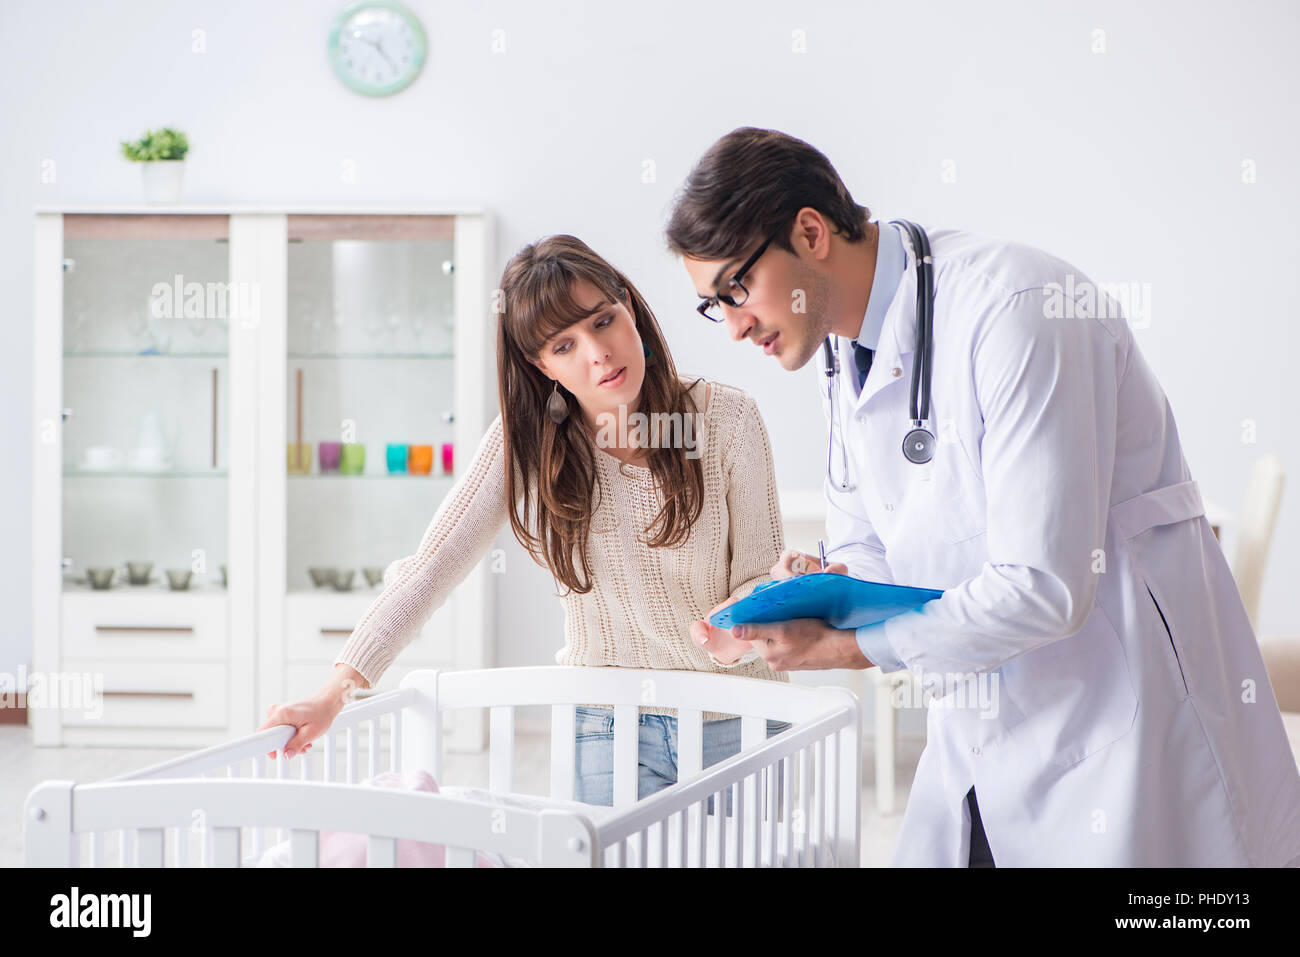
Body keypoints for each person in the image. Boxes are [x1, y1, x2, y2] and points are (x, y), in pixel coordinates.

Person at [665, 126, 1300, 867]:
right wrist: (826, 584)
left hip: (1122, 728)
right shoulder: (840, 354)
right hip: (983, 727)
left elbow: (1047, 586)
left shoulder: (1020, 310)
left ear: (810, 231)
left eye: (736, 291)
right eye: (714, 306)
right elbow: (871, 535)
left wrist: (853, 646)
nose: (735, 327)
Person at [258, 234, 795, 806]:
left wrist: (737, 629)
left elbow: (759, 576)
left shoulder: (727, 419)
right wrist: (332, 694)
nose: (598, 353)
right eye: (564, 346)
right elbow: (430, 568)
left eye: (603, 321)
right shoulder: (527, 442)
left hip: (739, 718)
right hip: (606, 728)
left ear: (629, 308)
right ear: (541, 365)